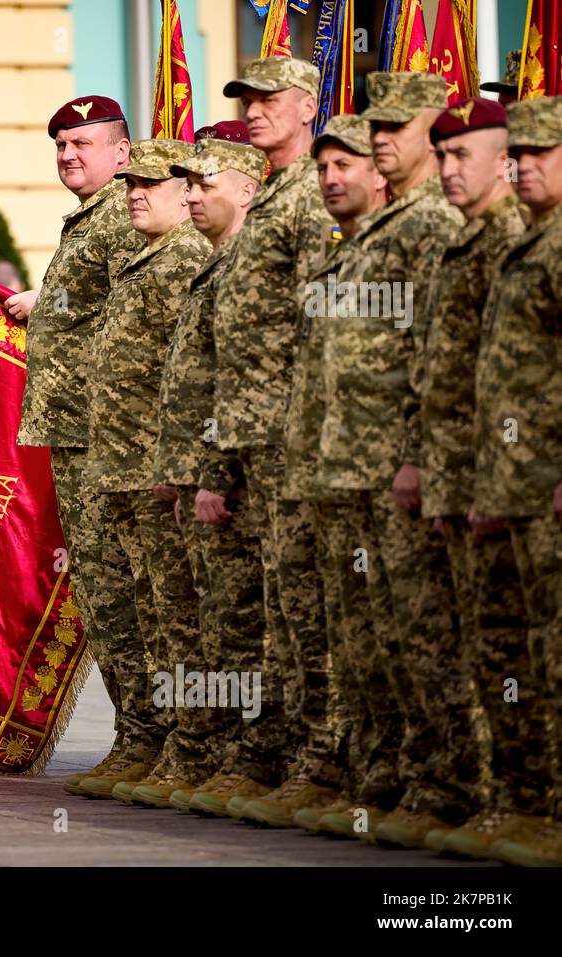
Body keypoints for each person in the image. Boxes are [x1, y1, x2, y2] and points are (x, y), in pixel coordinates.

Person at [313, 72, 470, 847]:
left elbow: (434, 355)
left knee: (422, 634)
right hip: (350, 466)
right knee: (368, 640)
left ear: (437, 129)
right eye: (374, 123)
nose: (380, 136)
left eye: (397, 125)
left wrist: (413, 455)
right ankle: (389, 782)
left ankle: (445, 787)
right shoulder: (376, 231)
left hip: (396, 468)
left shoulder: (433, 224)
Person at [189, 57, 335, 822]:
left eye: (268, 98)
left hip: (295, 440)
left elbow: (318, 328)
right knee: (272, 615)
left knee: (307, 613)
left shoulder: (314, 195)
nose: (253, 110)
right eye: (244, 100)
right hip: (249, 443)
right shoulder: (271, 198)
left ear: (308, 105)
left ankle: (322, 764)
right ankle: (273, 758)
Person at [4, 97, 162, 799]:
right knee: (102, 594)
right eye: (61, 145)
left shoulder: (125, 220)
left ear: (121, 153)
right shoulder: (90, 221)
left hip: (112, 439)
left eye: (83, 144)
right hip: (77, 435)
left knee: (125, 594)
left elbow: (140, 316)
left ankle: (152, 741)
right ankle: (137, 738)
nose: (69, 155)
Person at [416, 98, 542, 858]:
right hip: (475, 480)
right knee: (488, 648)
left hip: (522, 482)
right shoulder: (470, 241)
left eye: (464, 156)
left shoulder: (519, 241)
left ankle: (534, 801)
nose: (448, 169)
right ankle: (506, 799)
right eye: (444, 156)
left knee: (524, 651)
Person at [74, 137, 214, 807]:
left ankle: (190, 746)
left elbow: (185, 378)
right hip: (120, 468)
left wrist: (179, 467)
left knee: (174, 617)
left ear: (186, 191)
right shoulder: (143, 258)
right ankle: (151, 740)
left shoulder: (183, 260)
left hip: (155, 471)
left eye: (151, 183)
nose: (135, 192)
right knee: (144, 613)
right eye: (130, 182)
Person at [151, 122, 275, 816]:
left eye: (204, 183)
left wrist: (215, 474)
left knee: (245, 628)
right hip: (204, 475)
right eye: (188, 184)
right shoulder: (212, 263)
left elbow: (242, 379)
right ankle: (230, 756)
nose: (190, 195)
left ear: (247, 191)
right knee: (217, 626)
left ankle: (255, 759)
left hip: (239, 480)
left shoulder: (247, 263)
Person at [282, 115, 393, 837]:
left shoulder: (411, 241)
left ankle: (432, 787)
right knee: (347, 634)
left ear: (381, 170)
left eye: (346, 165)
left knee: (402, 634)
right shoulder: (338, 253)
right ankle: (364, 778)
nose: (330, 178)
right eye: (324, 167)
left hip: (389, 476)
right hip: (328, 472)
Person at [470, 94, 562, 867]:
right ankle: (531, 805)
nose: (522, 165)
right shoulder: (523, 243)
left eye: (540, 153)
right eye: (518, 154)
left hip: (547, 483)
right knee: (523, 650)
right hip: (513, 484)